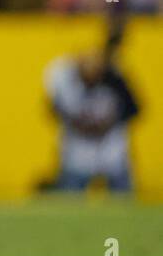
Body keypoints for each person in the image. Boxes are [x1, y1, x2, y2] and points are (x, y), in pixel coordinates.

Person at [44, 27, 139, 194]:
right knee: (69, 208)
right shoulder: (67, 84)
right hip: (78, 155)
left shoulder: (114, 83)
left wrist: (111, 121)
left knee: (124, 208)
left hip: (112, 152)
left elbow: (135, 109)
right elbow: (54, 109)